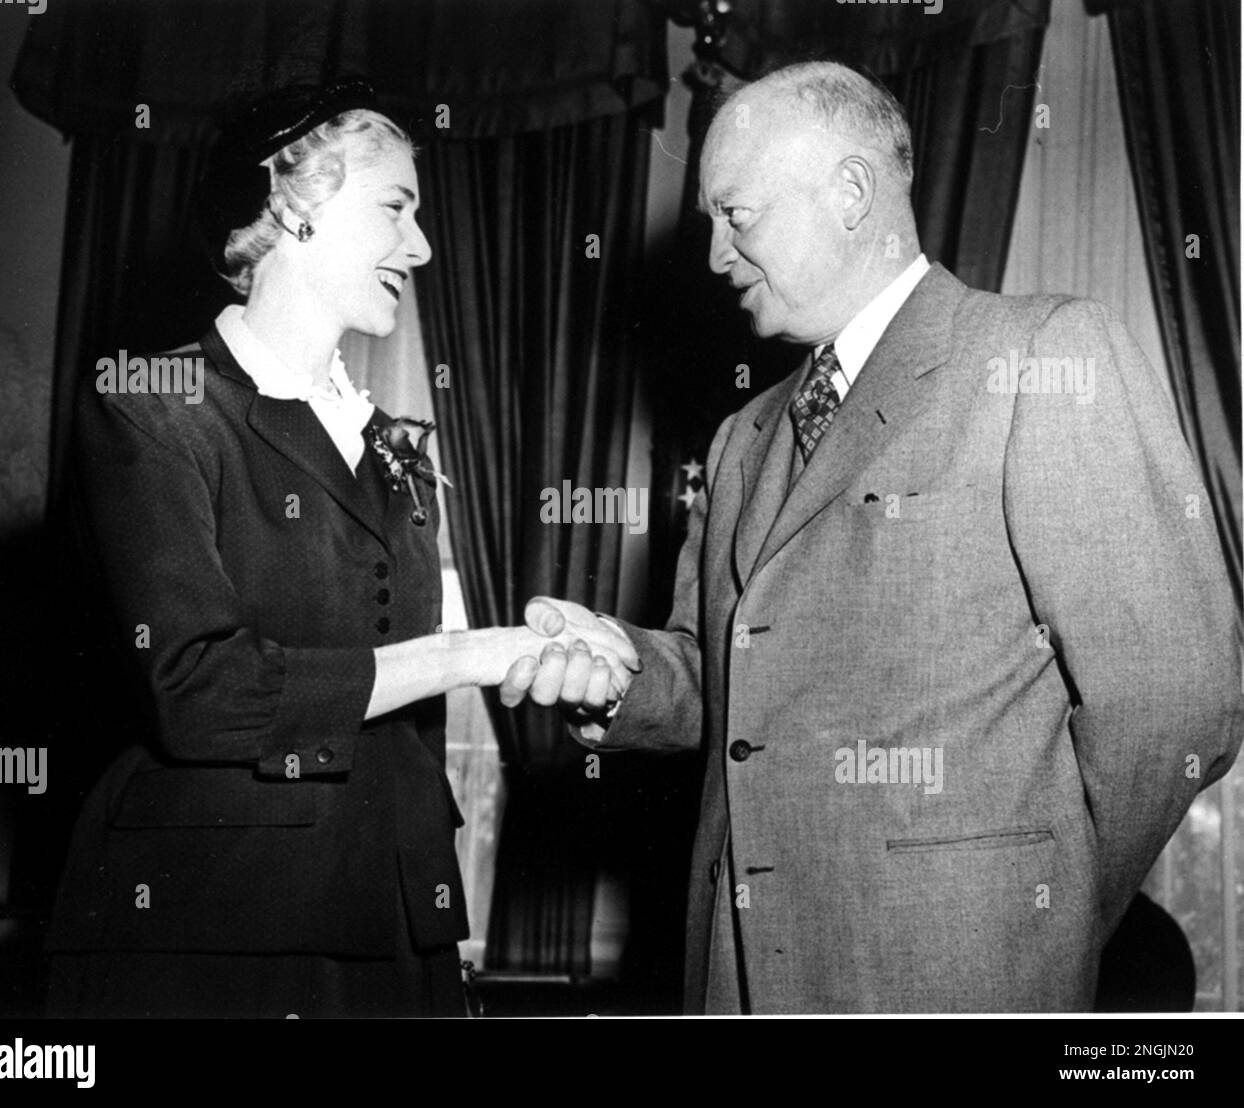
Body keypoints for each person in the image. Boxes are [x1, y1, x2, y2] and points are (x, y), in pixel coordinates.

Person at [501, 61, 1244, 1014]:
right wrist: (623, 671)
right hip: (733, 978)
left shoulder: (1041, 357)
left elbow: (1177, 702)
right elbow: (721, 680)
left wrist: (1041, 900)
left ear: (851, 193)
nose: (717, 254)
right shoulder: (745, 437)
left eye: (738, 215)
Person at [44, 79, 634, 1018]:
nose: (423, 246)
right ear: (292, 205)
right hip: (220, 924)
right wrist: (470, 655)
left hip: (393, 914)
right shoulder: (152, 406)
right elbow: (198, 691)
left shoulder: (385, 437)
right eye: (396, 208)